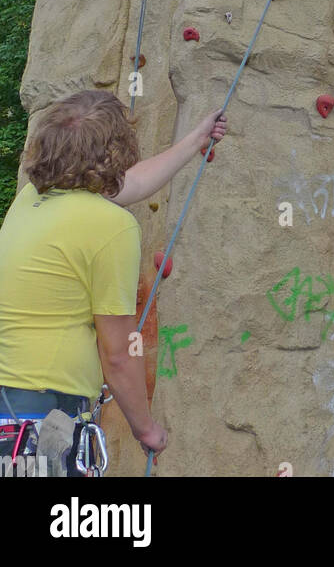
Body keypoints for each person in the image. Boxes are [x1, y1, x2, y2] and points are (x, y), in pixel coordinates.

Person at [0, 89, 226, 473]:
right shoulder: (112, 226)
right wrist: (146, 428)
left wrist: (194, 141)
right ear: (115, 150)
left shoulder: (31, 200)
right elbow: (119, 353)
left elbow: (131, 185)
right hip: (41, 418)